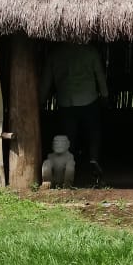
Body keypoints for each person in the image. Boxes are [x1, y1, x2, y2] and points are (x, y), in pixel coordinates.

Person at [39, 42, 108, 175]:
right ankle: (93, 160)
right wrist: (105, 95)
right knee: (93, 131)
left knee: (69, 135)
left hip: (66, 101)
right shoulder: (90, 51)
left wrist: (41, 101)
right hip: (89, 99)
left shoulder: (56, 54)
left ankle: (70, 165)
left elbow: (46, 80)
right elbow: (100, 75)